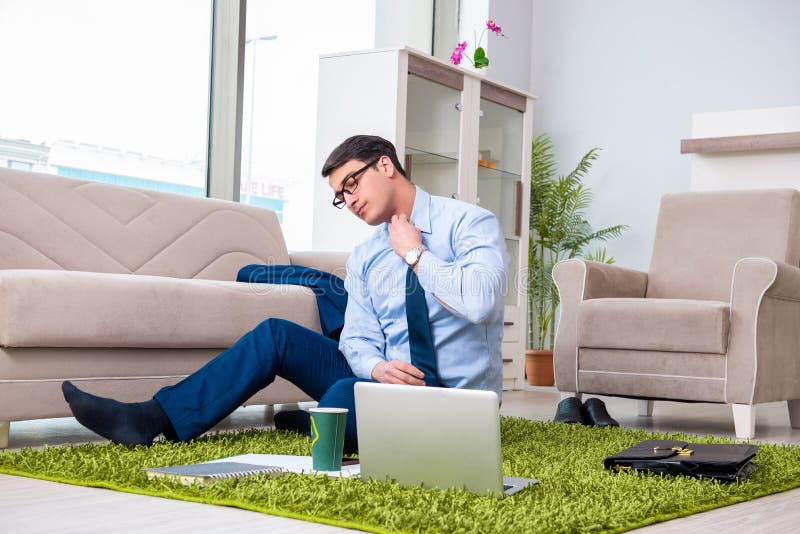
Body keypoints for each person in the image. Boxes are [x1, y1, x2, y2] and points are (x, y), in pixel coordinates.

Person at [62, 134, 509, 447]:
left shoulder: (469, 224)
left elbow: (482, 302)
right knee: (277, 333)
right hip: (385, 384)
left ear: (386, 166)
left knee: (337, 401)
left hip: (455, 403)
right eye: (340, 195)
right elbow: (355, 339)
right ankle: (151, 418)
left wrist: (415, 254)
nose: (348, 201)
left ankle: (328, 420)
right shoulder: (367, 256)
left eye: (351, 184)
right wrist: (375, 369)